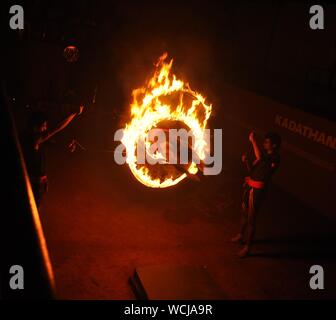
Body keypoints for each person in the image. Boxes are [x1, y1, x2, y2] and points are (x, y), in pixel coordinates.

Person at [231, 131, 281, 258]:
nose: (264, 143)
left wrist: (253, 141)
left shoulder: (274, 157)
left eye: (267, 142)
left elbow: (260, 158)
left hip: (257, 191)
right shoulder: (263, 157)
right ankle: (240, 235)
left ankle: (247, 248)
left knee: (251, 219)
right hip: (249, 187)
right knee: (243, 212)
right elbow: (251, 171)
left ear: (274, 145)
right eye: (264, 141)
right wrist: (246, 161)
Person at [21, 105, 84, 207]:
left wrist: (66, 146)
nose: (45, 128)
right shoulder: (30, 140)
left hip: (37, 186)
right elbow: (55, 128)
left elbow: (53, 143)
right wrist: (73, 113)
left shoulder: (38, 141)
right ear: (35, 127)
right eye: (44, 126)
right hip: (29, 186)